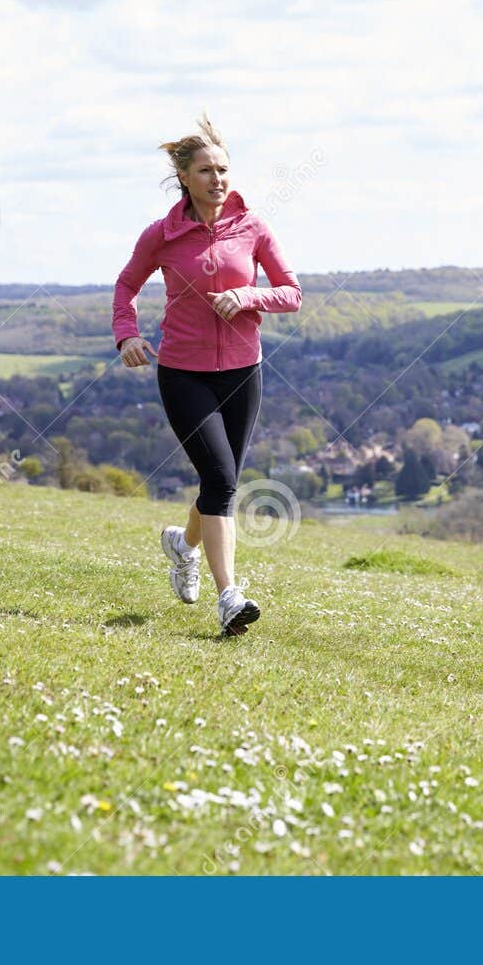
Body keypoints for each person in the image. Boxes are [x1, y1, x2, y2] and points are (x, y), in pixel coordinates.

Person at [112, 112, 302, 636]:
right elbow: (125, 286)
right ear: (185, 179)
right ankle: (230, 597)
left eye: (223, 169)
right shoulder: (163, 235)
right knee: (220, 480)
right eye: (206, 171)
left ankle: (182, 543)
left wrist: (247, 295)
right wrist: (127, 335)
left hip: (244, 371)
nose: (218, 179)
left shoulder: (254, 227)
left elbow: (291, 292)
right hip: (183, 372)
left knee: (221, 481)